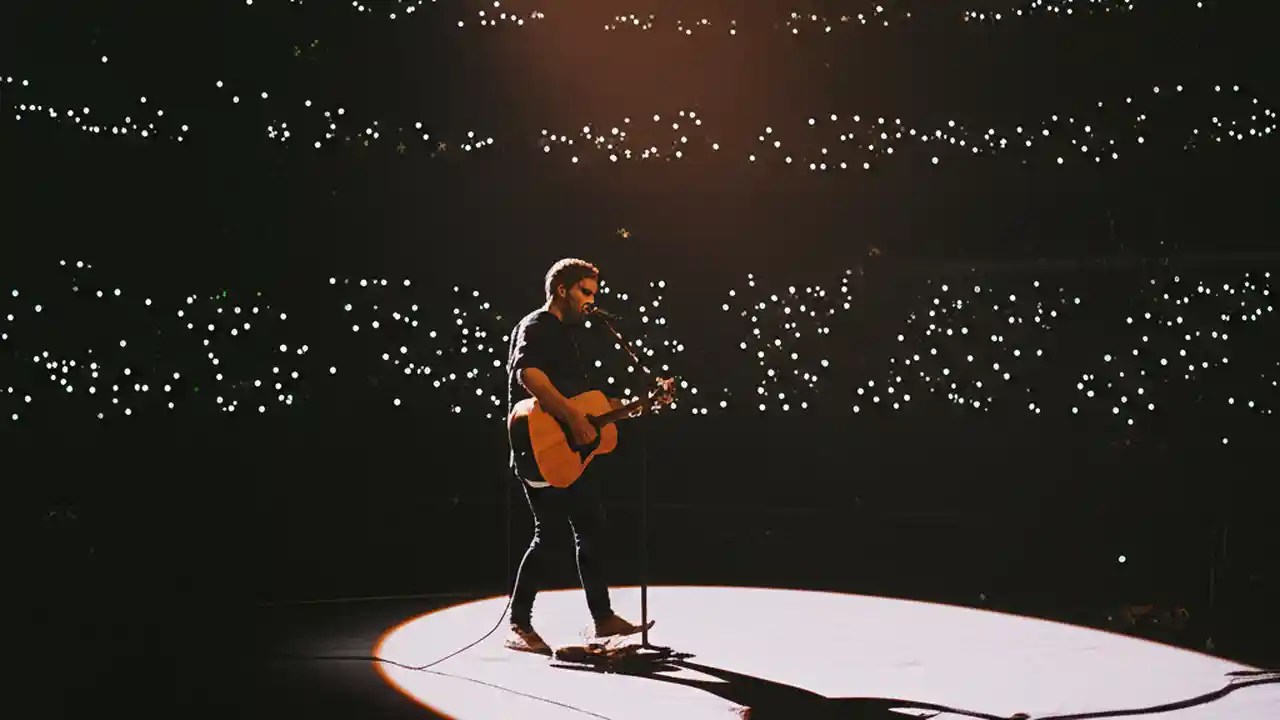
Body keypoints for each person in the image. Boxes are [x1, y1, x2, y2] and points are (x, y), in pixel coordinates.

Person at [503, 258, 649, 655]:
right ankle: (518, 623)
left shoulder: (569, 336)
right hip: (541, 446)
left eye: (594, 294)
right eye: (586, 292)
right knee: (549, 534)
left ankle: (603, 619)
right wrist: (571, 417)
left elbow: (586, 404)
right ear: (562, 289)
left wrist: (635, 405)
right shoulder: (537, 325)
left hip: (570, 451)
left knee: (592, 527)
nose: (591, 301)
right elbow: (528, 375)